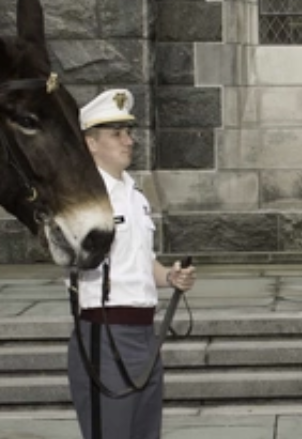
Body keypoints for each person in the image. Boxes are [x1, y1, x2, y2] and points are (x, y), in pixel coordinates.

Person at [67, 88, 196, 439]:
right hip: (105, 335)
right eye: (117, 134)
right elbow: (70, 255)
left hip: (144, 334)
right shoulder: (83, 197)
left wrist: (169, 276)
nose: (129, 141)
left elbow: (142, 263)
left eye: (129, 132)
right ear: (91, 143)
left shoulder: (134, 195)